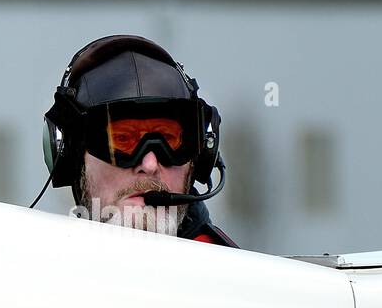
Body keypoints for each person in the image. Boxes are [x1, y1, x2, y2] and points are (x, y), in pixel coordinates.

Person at [39, 35, 237, 247]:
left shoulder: (237, 277)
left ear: (199, 159)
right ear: (70, 154)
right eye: (123, 139)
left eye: (168, 139)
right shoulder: (36, 273)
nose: (150, 164)